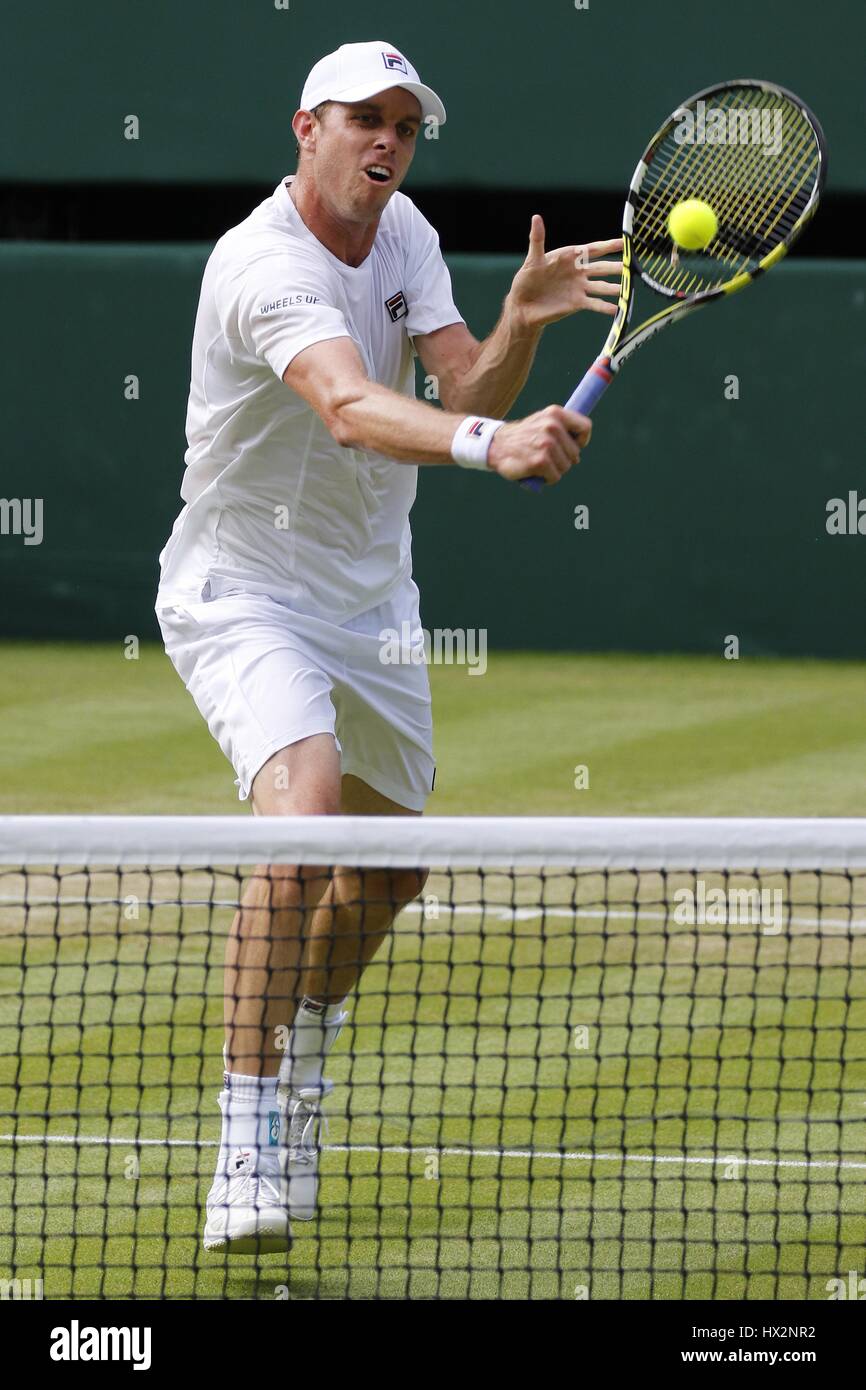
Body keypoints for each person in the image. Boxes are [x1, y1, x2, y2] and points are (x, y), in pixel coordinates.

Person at [155, 39, 622, 1253]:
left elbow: (461, 386)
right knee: (304, 820)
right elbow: (353, 409)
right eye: (363, 119)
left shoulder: (404, 234)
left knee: (388, 871)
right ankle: (245, 1140)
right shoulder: (260, 265)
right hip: (243, 588)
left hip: (369, 600)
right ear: (303, 127)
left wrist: (513, 328)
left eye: (404, 127)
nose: (386, 143)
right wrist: (495, 447)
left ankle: (303, 1050)